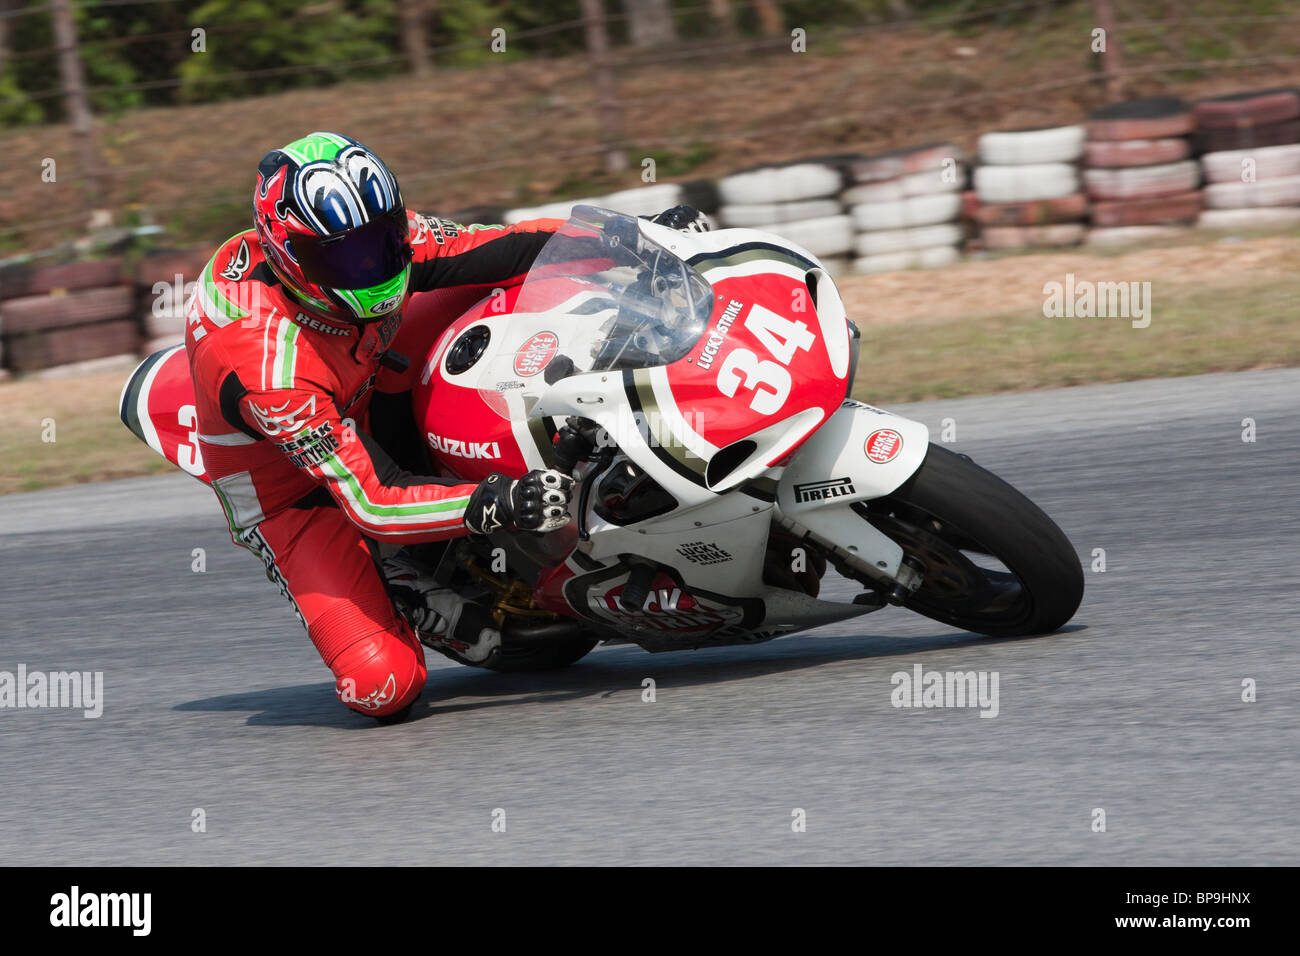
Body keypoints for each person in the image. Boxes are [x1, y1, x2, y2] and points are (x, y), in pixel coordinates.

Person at [185, 130, 701, 722]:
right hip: (292, 488)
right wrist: (500, 500)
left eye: (383, 241)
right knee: (383, 686)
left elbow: (505, 246)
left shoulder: (384, 240)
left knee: (507, 279)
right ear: (290, 258)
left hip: (360, 373)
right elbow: (373, 500)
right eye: (347, 258)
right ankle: (397, 578)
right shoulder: (262, 366)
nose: (373, 267)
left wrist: (636, 237)